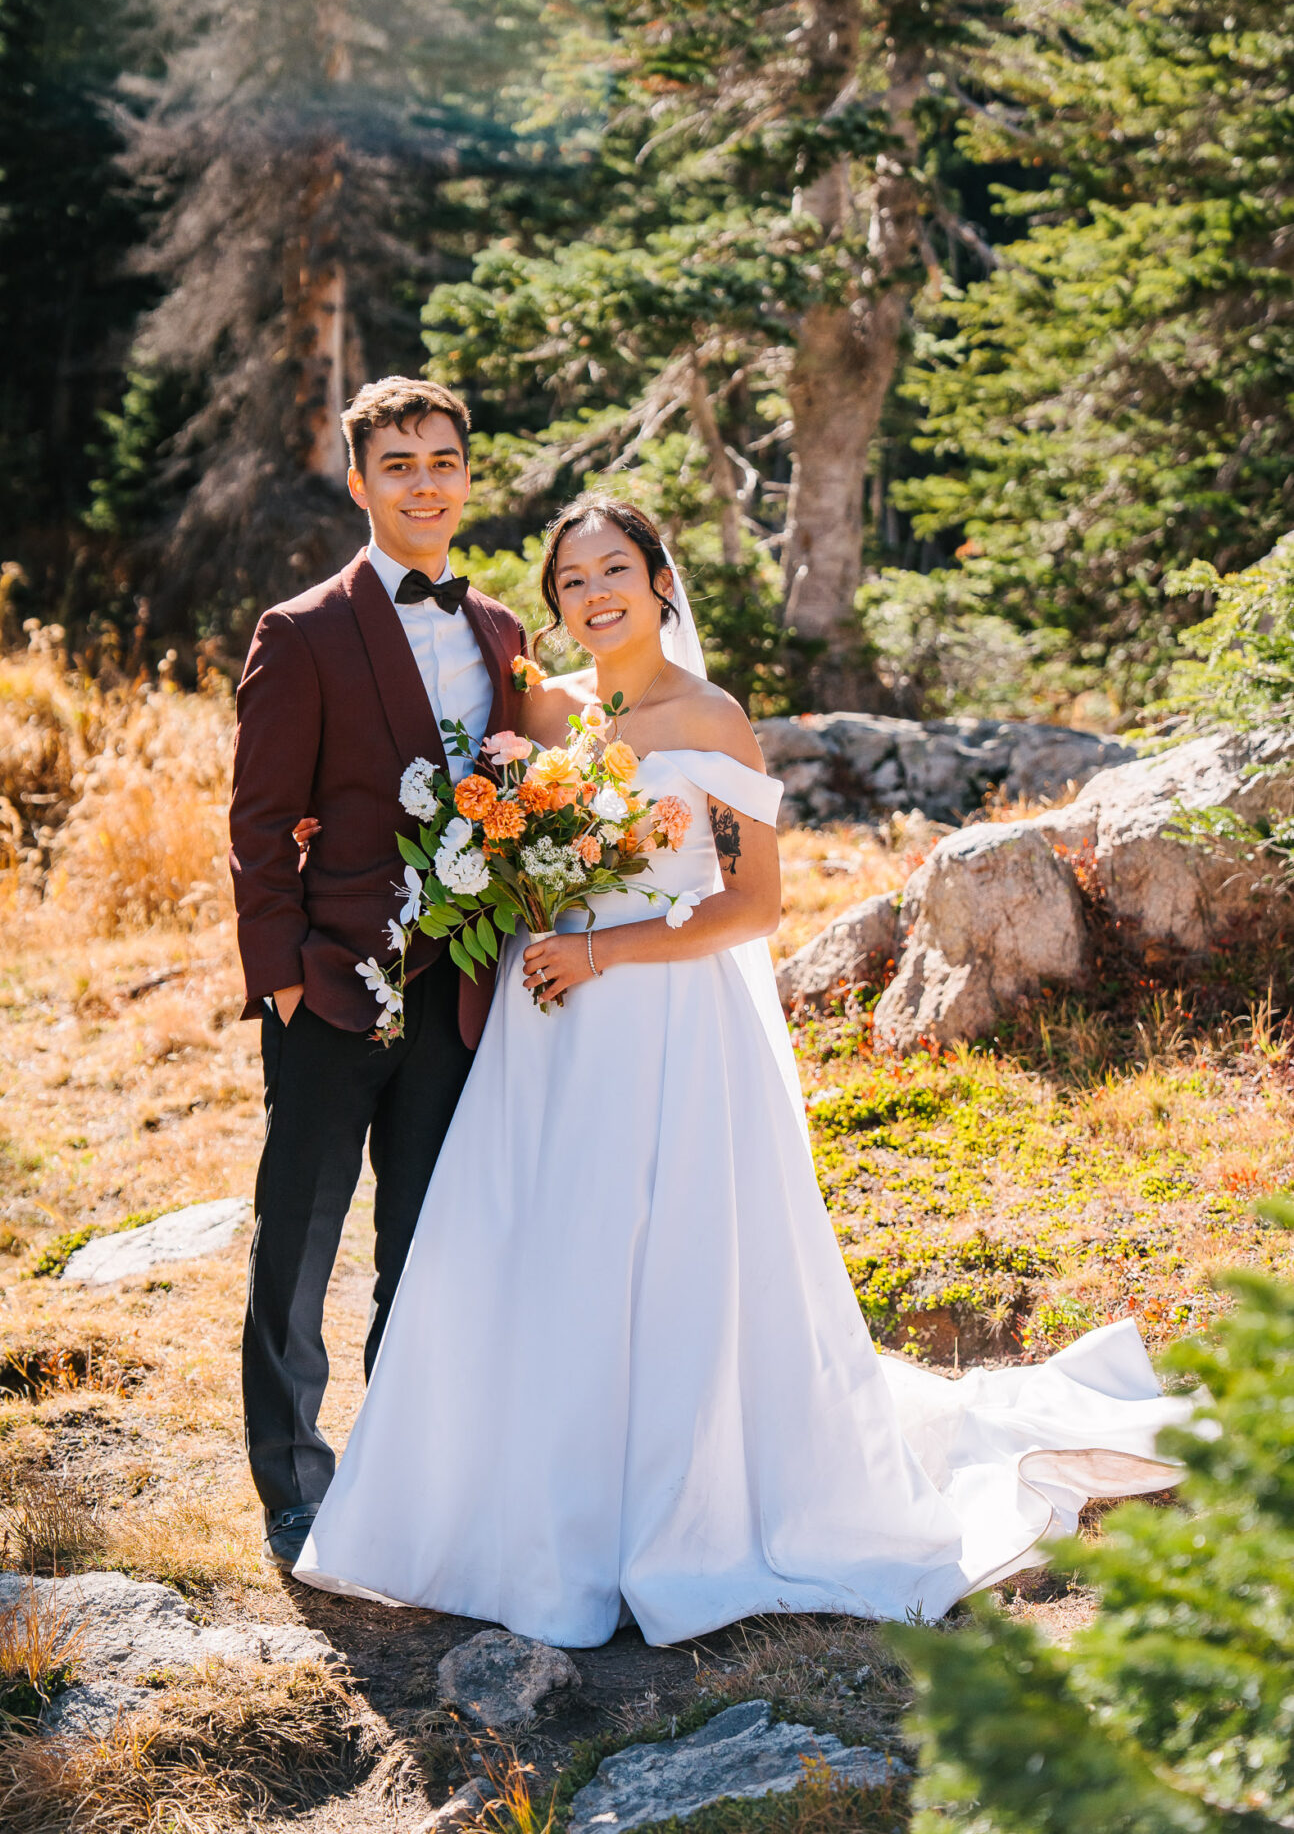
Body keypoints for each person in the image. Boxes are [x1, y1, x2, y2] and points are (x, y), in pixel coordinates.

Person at [293, 496, 1183, 1645]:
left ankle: (675, 1513)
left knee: (665, 1249)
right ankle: (523, 1518)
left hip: (662, 1012)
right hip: (548, 1020)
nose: (592, 591)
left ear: (661, 581)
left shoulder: (712, 717)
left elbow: (753, 902)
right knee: (540, 1241)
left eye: (614, 567)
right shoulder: (542, 707)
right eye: (571, 577)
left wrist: (602, 945)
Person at [229, 376, 525, 1572]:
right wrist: (285, 977)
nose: (423, 480)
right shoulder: (299, 631)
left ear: (466, 474)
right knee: (295, 1239)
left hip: (458, 994)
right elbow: (257, 823)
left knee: (425, 1239)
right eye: (396, 462)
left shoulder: (502, 632)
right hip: (331, 986)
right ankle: (293, 1480)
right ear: (359, 482)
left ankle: (404, 1469)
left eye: (442, 458)